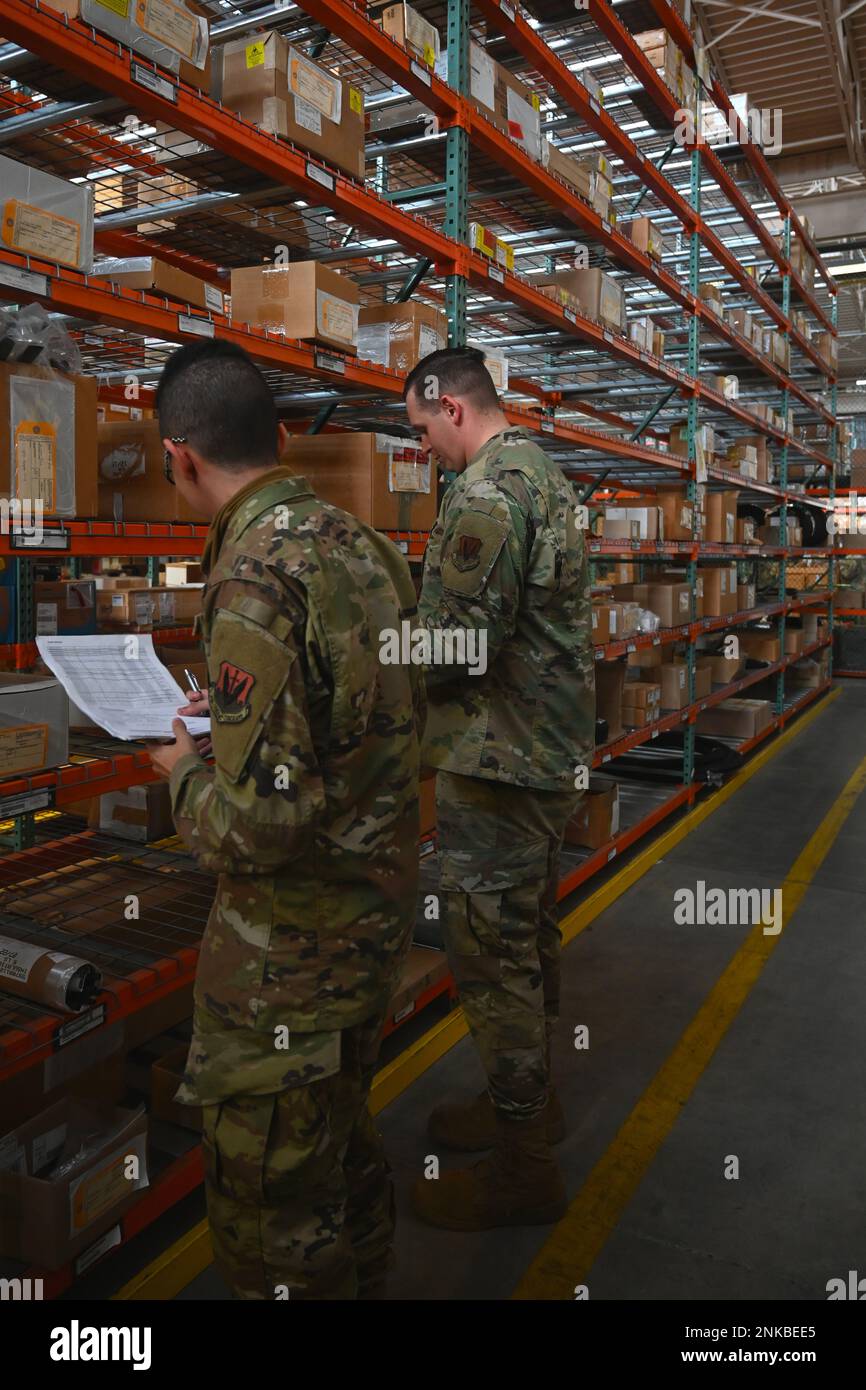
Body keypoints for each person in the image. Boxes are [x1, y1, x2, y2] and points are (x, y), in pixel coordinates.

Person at [146, 340, 424, 1298]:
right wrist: (238, 727)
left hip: (287, 969)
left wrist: (185, 771)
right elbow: (370, 714)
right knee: (343, 1155)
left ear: (181, 456)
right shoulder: (364, 545)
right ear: (279, 436)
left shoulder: (251, 580)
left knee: (274, 1214)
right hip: (371, 929)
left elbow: (264, 826)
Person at [404, 346, 594, 1230]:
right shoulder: (545, 475)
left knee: (491, 959)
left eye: (420, 432)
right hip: (547, 758)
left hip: (500, 762)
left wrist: (374, 659)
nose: (424, 453)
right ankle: (531, 1103)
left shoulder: (483, 494)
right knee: (528, 939)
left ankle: (524, 1166)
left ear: (451, 408)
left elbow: (457, 647)